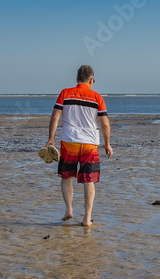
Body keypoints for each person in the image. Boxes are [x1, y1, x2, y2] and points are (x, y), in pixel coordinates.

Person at [46, 65, 113, 227]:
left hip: (69, 141)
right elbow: (104, 123)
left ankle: (69, 209)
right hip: (89, 143)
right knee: (88, 180)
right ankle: (86, 218)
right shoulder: (97, 97)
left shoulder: (65, 93)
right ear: (91, 80)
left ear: (77, 79)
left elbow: (55, 116)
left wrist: (51, 139)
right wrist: (107, 144)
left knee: (66, 176)